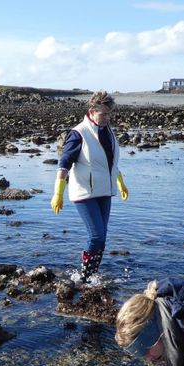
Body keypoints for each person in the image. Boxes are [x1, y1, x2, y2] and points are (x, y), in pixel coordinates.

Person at [51, 91, 128, 280]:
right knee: (96, 236)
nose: (107, 118)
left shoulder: (108, 132)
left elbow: (109, 163)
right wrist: (58, 192)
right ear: (91, 112)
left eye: (109, 114)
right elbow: (64, 163)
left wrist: (120, 181)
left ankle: (93, 275)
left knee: (102, 238)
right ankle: (85, 276)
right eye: (103, 114)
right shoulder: (79, 134)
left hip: (104, 191)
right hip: (84, 193)